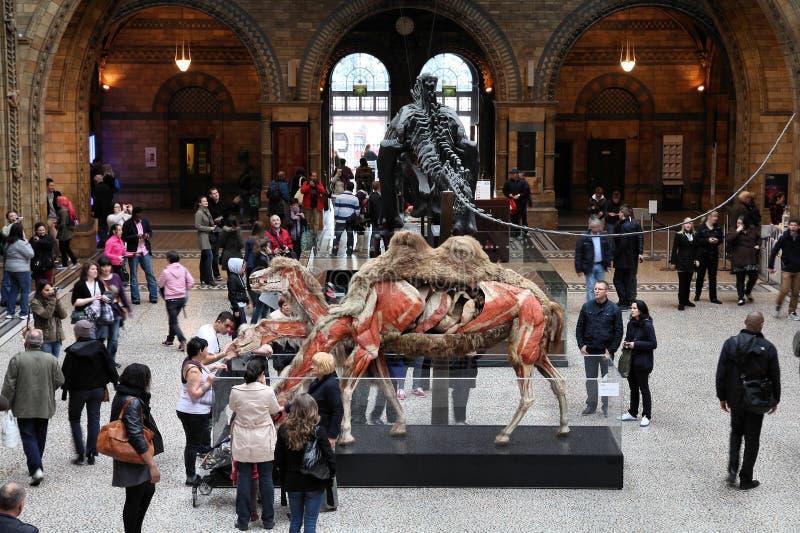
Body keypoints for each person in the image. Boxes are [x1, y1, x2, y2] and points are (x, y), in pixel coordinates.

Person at [716, 311, 780, 490]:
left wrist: (722, 396)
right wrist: (775, 400)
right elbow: (775, 376)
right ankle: (746, 478)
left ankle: (732, 469)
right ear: (761, 326)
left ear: (745, 322)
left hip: (735, 397)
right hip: (756, 399)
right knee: (753, 439)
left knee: (736, 432)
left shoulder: (731, 344)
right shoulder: (768, 348)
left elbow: (721, 373)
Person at [1, 329, 64, 486]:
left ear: (26, 342)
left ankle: (36, 469)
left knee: (28, 436)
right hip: (44, 404)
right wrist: (49, 390)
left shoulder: (17, 359)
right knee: (40, 435)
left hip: (23, 405)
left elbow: (10, 384)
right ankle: (36, 465)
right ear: (42, 342)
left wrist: (4, 403)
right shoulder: (51, 359)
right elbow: (60, 380)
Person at [284, 351, 343, 511]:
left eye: (315, 365)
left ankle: (329, 502)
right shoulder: (319, 381)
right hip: (316, 431)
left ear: (323, 367)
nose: (312, 367)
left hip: (324, 433)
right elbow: (308, 401)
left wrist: (332, 435)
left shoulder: (330, 385)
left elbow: (338, 411)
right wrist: (287, 408)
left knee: (325, 467)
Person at [229, 358, 283, 530]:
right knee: (266, 478)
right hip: (263, 439)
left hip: (243, 438)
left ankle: (243, 520)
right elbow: (274, 410)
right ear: (262, 374)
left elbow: (232, 407)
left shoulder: (236, 390)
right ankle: (268, 520)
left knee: (244, 478)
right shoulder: (267, 391)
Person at [110, 363, 163, 533]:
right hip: (133, 455)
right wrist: (151, 464)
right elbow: (136, 435)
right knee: (135, 497)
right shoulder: (132, 402)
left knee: (145, 491)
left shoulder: (123, 394)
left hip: (130, 453)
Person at [276, 393, 336, 533]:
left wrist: (283, 479)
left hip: (293, 480)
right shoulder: (318, 431)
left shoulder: (284, 430)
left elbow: (279, 458)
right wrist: (330, 475)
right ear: (312, 410)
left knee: (295, 521)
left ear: (294, 409)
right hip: (314, 480)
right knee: (310, 522)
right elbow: (330, 457)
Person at [61, 320, 118, 465]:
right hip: (97, 390)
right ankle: (91, 452)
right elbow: (110, 365)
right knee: (94, 420)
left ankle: (80, 454)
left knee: (75, 420)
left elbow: (65, 373)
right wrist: (115, 382)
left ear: (77, 333)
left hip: (78, 392)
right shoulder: (99, 347)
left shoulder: (72, 351)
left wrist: (64, 390)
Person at [176, 337, 231, 486]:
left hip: (195, 411)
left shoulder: (194, 362)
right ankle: (191, 477)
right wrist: (208, 383)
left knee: (193, 444)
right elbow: (194, 394)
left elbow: (204, 367)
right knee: (193, 444)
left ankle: (192, 473)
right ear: (200, 351)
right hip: (192, 412)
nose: (208, 351)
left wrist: (215, 367)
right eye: (206, 348)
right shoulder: (193, 369)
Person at [575, 280, 622, 416]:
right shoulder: (586, 307)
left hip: (606, 352)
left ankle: (607, 406)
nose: (596, 291)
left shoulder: (614, 309)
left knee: (607, 379)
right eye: (595, 289)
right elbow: (579, 328)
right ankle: (591, 404)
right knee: (591, 379)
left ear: (606, 291)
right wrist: (581, 345)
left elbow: (618, 332)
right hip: (590, 352)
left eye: (600, 289)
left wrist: (611, 350)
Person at [617, 300, 657, 427]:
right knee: (633, 388)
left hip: (643, 362)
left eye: (634, 308)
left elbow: (653, 344)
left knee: (644, 389)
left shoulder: (647, 325)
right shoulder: (631, 324)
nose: (632, 310)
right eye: (631, 308)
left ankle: (646, 415)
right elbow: (629, 338)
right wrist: (626, 343)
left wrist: (636, 344)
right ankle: (633, 412)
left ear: (641, 310)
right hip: (631, 362)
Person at [97, 255, 132, 363]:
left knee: (114, 339)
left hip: (115, 312)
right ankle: (102, 359)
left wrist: (128, 307)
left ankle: (110, 360)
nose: (106, 268)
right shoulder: (97, 280)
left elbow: (121, 293)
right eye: (103, 266)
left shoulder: (116, 277)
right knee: (101, 338)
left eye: (108, 265)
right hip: (102, 313)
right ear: (100, 268)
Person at [158, 250, 194, 350]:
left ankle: (182, 340)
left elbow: (160, 284)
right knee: (172, 320)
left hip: (171, 300)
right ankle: (169, 340)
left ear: (169, 260)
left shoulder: (166, 272)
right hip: (182, 299)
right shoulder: (183, 269)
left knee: (173, 322)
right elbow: (191, 282)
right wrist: (184, 289)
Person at [121, 207, 158, 304]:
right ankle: (136, 298)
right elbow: (124, 237)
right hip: (134, 253)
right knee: (133, 275)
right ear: (134, 215)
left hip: (145, 250)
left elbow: (150, 232)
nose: (140, 217)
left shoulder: (145, 221)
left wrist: (147, 235)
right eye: (138, 216)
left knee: (150, 273)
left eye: (141, 215)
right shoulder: (127, 224)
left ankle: (154, 296)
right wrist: (135, 237)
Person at [611, 206, 643, 310]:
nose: (618, 214)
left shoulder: (622, 226)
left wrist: (614, 254)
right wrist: (640, 252)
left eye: (619, 213)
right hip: (632, 258)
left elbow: (622, 243)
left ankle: (624, 301)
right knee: (630, 279)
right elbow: (640, 238)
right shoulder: (636, 223)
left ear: (623, 214)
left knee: (618, 280)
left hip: (623, 258)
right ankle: (630, 300)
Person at [574, 217, 612, 302]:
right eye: (593, 227)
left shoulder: (603, 236)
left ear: (599, 226)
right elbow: (579, 254)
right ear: (590, 227)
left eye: (597, 227)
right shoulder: (584, 237)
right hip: (589, 266)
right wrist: (578, 269)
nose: (595, 229)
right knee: (591, 287)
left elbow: (607, 251)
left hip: (601, 265)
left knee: (601, 287)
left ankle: (600, 303)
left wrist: (608, 264)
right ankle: (591, 306)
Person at [768, 218, 800, 320]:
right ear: (789, 226)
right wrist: (770, 266)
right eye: (792, 225)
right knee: (785, 289)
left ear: (798, 227)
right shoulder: (783, 238)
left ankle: (792, 312)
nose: (793, 227)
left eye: (795, 225)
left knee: (795, 292)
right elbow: (774, 251)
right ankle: (778, 306)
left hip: (798, 269)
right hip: (787, 268)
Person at [727, 215, 761, 306]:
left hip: (751, 257)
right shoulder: (734, 230)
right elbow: (729, 240)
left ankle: (748, 291)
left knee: (754, 277)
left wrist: (758, 245)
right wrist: (738, 231)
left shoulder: (752, 229)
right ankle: (740, 298)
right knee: (740, 278)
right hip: (739, 258)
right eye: (738, 223)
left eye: (741, 223)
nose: (740, 225)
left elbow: (758, 238)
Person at [30, 280, 68, 357]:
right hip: (45, 340)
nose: (50, 292)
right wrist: (53, 299)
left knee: (54, 362)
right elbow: (46, 315)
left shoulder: (53, 300)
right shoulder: (35, 302)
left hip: (57, 338)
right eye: (47, 290)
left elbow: (64, 315)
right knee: (46, 363)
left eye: (51, 290)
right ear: (40, 291)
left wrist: (58, 301)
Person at [4, 223, 34, 319]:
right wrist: (27, 243)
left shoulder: (8, 243)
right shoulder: (20, 243)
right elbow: (31, 254)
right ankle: (24, 313)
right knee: (25, 291)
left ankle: (10, 312)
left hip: (10, 269)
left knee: (14, 290)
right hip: (22, 269)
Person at [71, 261, 109, 336]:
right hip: (86, 318)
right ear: (86, 271)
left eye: (96, 269)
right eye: (92, 269)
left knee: (100, 340)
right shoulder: (79, 284)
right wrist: (92, 299)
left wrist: (104, 297)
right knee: (91, 340)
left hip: (100, 316)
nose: (96, 271)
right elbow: (75, 302)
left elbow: (103, 294)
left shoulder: (99, 282)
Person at [670, 217, 700, 310]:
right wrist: (673, 262)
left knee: (688, 283)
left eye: (690, 223)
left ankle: (686, 300)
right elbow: (675, 249)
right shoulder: (679, 235)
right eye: (686, 223)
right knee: (682, 283)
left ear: (692, 225)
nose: (688, 225)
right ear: (683, 224)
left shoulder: (695, 235)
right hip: (681, 262)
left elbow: (697, 249)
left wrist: (697, 259)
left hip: (691, 262)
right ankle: (681, 302)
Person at [695, 211, 724, 304]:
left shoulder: (718, 227)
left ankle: (713, 298)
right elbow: (697, 241)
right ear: (709, 217)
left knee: (713, 277)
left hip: (713, 256)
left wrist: (717, 240)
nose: (716, 218)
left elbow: (721, 239)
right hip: (702, 256)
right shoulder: (701, 227)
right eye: (714, 216)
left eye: (717, 216)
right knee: (700, 276)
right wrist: (708, 240)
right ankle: (697, 295)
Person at [268, 294, 300, 374]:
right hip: (280, 348)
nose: (287, 307)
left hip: (293, 348)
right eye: (285, 305)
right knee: (281, 372)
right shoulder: (274, 316)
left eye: (289, 304)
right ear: (281, 306)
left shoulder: (296, 316)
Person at [331, 181, 360, 256]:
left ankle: (334, 251)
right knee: (350, 236)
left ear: (345, 187)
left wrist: (336, 217)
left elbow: (336, 209)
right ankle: (349, 252)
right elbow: (357, 211)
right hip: (350, 221)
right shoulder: (355, 199)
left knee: (337, 236)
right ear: (353, 189)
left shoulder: (339, 197)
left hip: (340, 220)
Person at [194, 195, 217, 288]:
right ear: (200, 203)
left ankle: (203, 277)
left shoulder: (206, 211)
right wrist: (209, 228)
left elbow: (210, 222)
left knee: (204, 258)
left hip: (208, 236)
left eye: (206, 201)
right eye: (204, 201)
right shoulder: (199, 213)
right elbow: (197, 226)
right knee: (209, 257)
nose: (206, 202)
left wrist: (213, 225)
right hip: (203, 237)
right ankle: (209, 279)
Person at [207, 187, 229, 282]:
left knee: (228, 250)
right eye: (214, 193)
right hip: (214, 230)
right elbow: (208, 218)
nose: (216, 194)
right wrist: (214, 220)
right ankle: (216, 274)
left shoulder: (223, 203)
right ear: (210, 196)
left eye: (217, 192)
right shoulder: (209, 206)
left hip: (223, 229)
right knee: (214, 253)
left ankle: (224, 262)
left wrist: (222, 218)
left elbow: (227, 214)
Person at [502, 168, 531, 238]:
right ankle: (515, 233)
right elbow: (504, 190)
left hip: (522, 203)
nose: (513, 175)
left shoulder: (523, 182)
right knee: (514, 218)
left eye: (514, 174)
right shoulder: (508, 182)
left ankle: (525, 232)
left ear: (517, 174)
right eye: (512, 174)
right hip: (513, 203)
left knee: (523, 218)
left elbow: (526, 191)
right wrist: (509, 194)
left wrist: (519, 195)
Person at [227, 258, 249, 336]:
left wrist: (247, 301)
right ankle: (236, 341)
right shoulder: (232, 279)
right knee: (242, 324)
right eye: (242, 268)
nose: (244, 270)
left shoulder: (238, 275)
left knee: (238, 325)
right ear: (236, 267)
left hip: (240, 304)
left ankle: (236, 340)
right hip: (237, 305)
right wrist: (236, 309)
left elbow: (242, 290)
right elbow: (231, 295)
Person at [55, 196, 78, 269]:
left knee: (63, 249)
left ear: (60, 202)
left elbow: (63, 224)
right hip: (67, 233)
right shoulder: (66, 210)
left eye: (57, 201)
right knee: (66, 248)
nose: (56, 203)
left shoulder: (63, 211)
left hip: (64, 234)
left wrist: (56, 225)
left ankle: (66, 264)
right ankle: (73, 262)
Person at [91, 174, 113, 248]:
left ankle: (103, 241)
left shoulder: (96, 188)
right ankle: (106, 240)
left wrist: (93, 210)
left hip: (100, 211)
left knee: (100, 226)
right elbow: (111, 198)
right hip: (108, 210)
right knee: (106, 225)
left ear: (96, 181)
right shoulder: (107, 187)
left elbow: (96, 201)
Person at [367, 181, 386, 258]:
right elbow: (379, 210)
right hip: (378, 219)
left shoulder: (371, 196)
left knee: (374, 234)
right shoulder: (378, 197)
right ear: (379, 187)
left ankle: (373, 249)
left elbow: (370, 210)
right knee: (377, 234)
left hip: (374, 219)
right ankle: (375, 250)